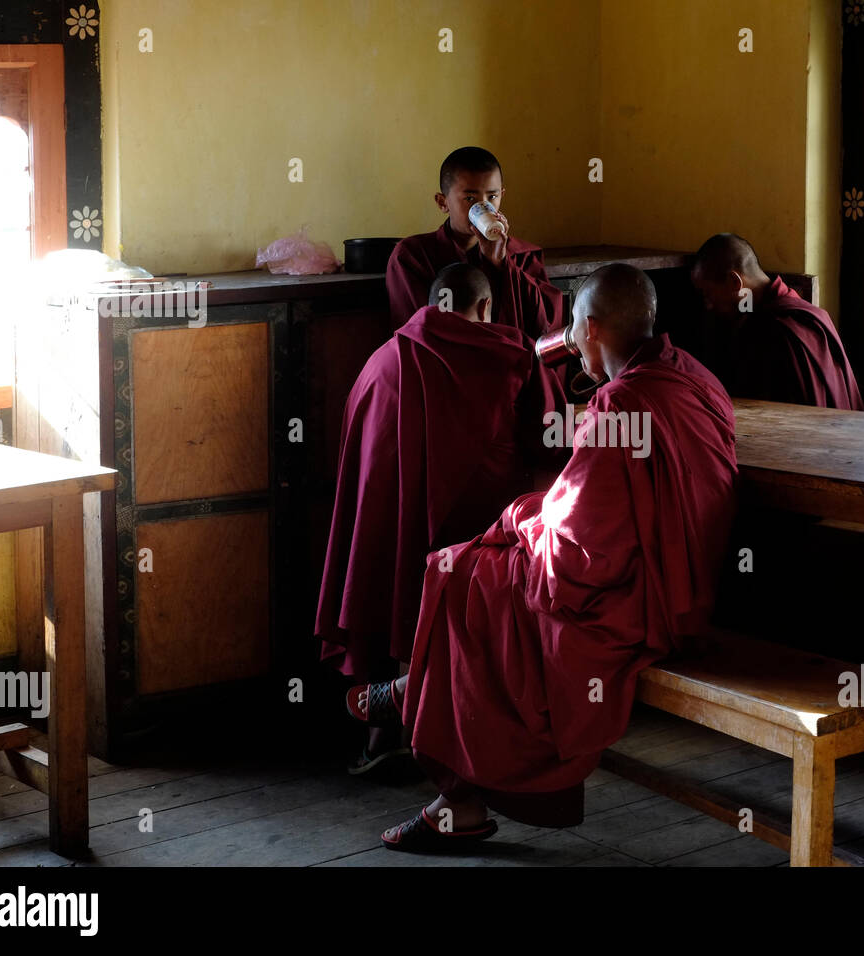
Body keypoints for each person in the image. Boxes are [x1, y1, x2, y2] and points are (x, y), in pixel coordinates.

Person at [347, 263, 738, 851]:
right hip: (684, 580)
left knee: (462, 577)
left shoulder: (620, 406)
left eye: (574, 325)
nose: (569, 339)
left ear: (593, 329)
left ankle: (439, 750)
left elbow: (579, 557)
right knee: (466, 571)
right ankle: (439, 751)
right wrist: (533, 516)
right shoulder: (694, 378)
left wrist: (517, 518)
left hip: (631, 601)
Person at [315, 263, 539, 773]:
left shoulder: (383, 360)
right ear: (485, 308)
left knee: (387, 589)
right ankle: (463, 749)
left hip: (386, 526)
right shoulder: (503, 357)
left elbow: (358, 463)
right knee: (474, 603)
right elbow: (539, 434)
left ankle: (383, 734)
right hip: (470, 533)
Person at [385, 146, 564, 339]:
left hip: (510, 366)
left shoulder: (523, 256)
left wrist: (501, 265)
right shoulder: (414, 256)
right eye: (470, 198)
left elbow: (544, 332)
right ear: (442, 202)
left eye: (492, 197)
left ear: (502, 195)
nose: (483, 206)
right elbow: (418, 333)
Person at [690, 233, 864, 409]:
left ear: (735, 282)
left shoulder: (774, 331)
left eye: (707, 293)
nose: (708, 305)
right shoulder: (802, 311)